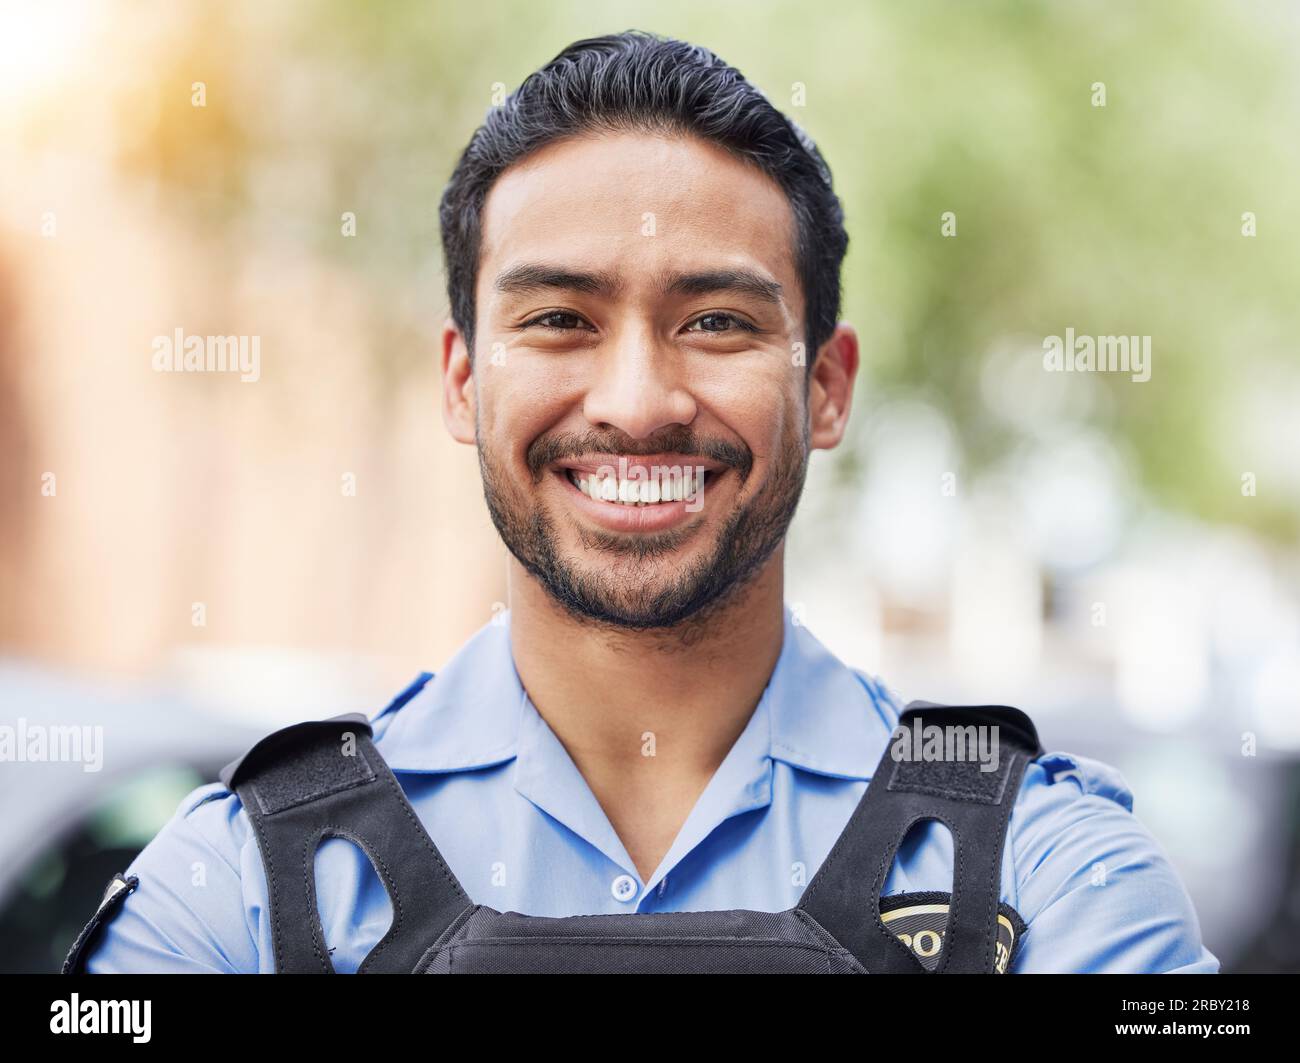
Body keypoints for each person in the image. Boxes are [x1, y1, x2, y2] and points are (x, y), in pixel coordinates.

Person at [80, 30, 1217, 973]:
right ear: (463, 380)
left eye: (716, 321)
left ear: (824, 386)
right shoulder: (237, 892)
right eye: (559, 319)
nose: (635, 403)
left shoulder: (1053, 876)